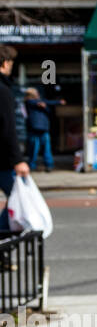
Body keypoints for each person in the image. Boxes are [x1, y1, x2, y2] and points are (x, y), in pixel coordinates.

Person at [0, 47, 31, 232]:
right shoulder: (3, 91)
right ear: (5, 63)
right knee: (18, 197)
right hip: (3, 160)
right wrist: (18, 160)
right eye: (11, 63)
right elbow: (8, 129)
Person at [24, 88, 64, 173]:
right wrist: (59, 102)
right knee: (34, 149)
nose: (38, 94)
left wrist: (45, 106)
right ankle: (32, 165)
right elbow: (47, 102)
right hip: (34, 128)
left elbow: (47, 108)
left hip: (44, 128)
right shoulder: (30, 102)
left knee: (46, 148)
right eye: (36, 93)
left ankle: (48, 165)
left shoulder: (40, 103)